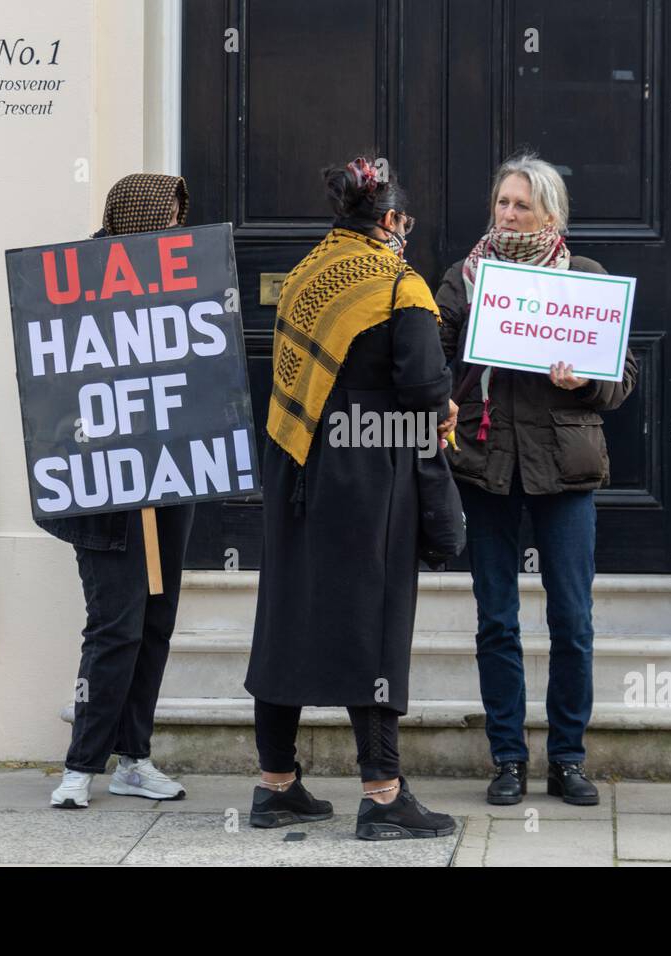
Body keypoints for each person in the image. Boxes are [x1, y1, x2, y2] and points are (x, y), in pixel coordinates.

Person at [243, 156, 460, 840]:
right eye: (405, 220)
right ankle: (383, 794)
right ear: (390, 220)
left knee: (287, 617)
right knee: (373, 621)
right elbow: (424, 389)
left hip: (293, 462)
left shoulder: (307, 273)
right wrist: (445, 408)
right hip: (366, 475)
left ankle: (276, 785)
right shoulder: (402, 287)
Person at [435, 152, 638, 807]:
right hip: (485, 467)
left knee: (572, 621)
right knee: (496, 620)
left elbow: (622, 381)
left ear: (551, 212)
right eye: (502, 203)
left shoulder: (585, 279)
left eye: (522, 205)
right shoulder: (463, 282)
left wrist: (586, 379)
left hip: (565, 470)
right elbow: (431, 370)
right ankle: (509, 759)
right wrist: (445, 397)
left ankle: (569, 759)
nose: (509, 214)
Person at [46, 173, 195, 809]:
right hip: (106, 492)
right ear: (139, 219)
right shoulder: (77, 286)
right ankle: (81, 766)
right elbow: (56, 382)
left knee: (155, 620)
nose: (176, 232)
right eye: (166, 220)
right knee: (115, 625)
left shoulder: (183, 282)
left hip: (170, 478)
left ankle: (134, 758)